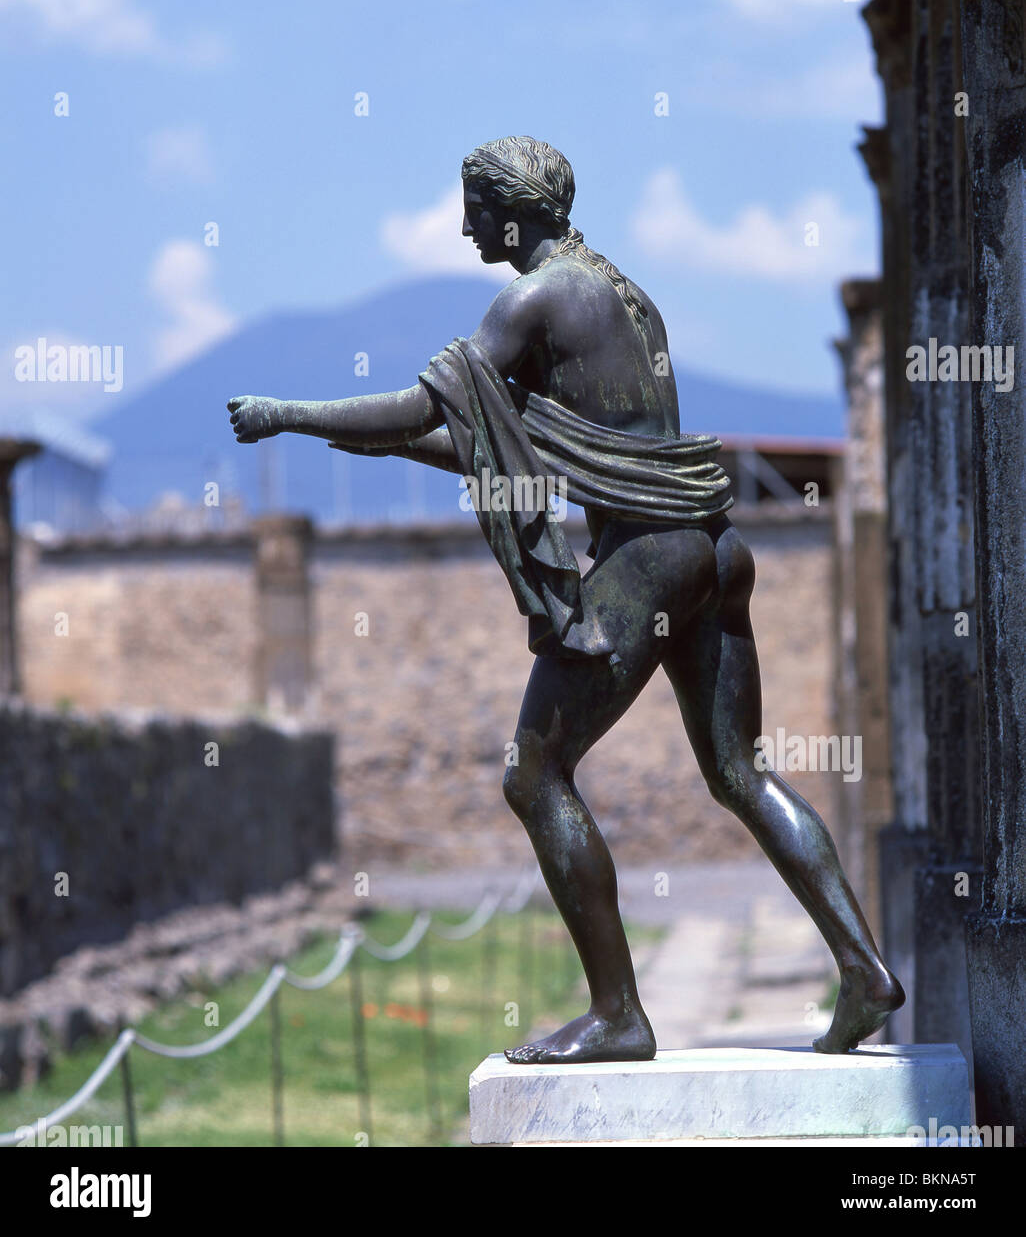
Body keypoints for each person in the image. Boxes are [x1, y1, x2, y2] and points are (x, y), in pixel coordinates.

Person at [227, 135, 904, 1064]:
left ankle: (620, 1013)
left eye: (473, 208)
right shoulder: (624, 295)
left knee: (532, 774)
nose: (465, 227)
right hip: (715, 545)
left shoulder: (532, 300)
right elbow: (510, 449)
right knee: (739, 772)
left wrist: (290, 416)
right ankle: (864, 969)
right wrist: (375, 442)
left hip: (650, 556)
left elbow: (425, 411)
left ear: (512, 210)